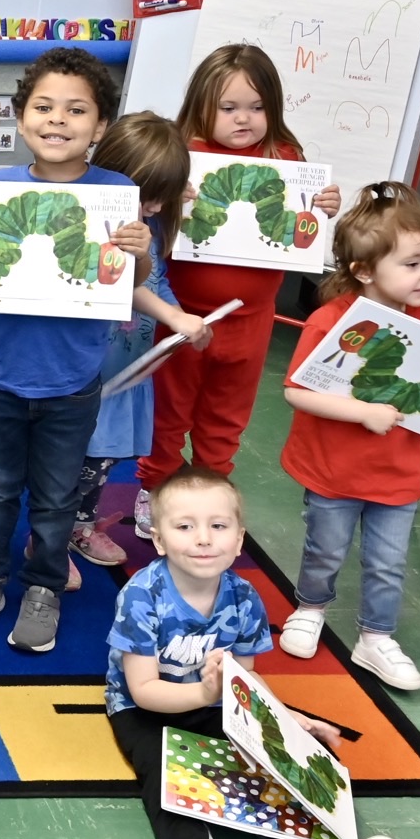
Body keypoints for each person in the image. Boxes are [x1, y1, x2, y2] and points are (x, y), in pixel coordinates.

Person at [0, 48, 150, 653]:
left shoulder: (115, 193)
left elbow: (131, 278)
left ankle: (44, 585)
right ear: (19, 120)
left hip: (72, 380)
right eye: (44, 107)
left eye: (77, 110)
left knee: (56, 498)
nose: (58, 120)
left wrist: (141, 251)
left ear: (100, 127)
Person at [107, 468, 405, 839]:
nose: (204, 538)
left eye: (219, 526)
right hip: (147, 710)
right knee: (171, 780)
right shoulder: (142, 596)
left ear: (239, 538)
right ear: (160, 539)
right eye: (185, 526)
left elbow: (247, 679)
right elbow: (143, 690)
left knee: (280, 763)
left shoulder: (245, 598)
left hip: (216, 702)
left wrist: (286, 720)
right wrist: (207, 691)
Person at [279, 183, 420, 691]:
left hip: (398, 470)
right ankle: (311, 606)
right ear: (365, 270)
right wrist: (360, 412)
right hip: (333, 468)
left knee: (388, 563)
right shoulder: (331, 321)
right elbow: (296, 392)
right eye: (413, 264)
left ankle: (377, 637)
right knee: (326, 549)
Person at [141, 45, 340, 499]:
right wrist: (172, 195)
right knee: (169, 413)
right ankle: (157, 490)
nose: (243, 118)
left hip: (251, 320)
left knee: (227, 415)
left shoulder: (287, 158)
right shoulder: (182, 155)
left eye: (257, 107)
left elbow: (298, 228)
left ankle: (211, 490)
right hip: (181, 313)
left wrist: (323, 208)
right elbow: (144, 219)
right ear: (202, 107)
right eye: (228, 108)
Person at [73, 113, 206, 575]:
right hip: (88, 370)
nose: (149, 208)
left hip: (127, 368)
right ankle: (48, 536)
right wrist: (172, 315)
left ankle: (81, 525)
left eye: (159, 199)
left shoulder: (153, 224)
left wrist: (180, 318)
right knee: (72, 459)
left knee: (103, 459)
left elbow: (158, 280)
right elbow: (124, 283)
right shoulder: (90, 220)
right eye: (143, 197)